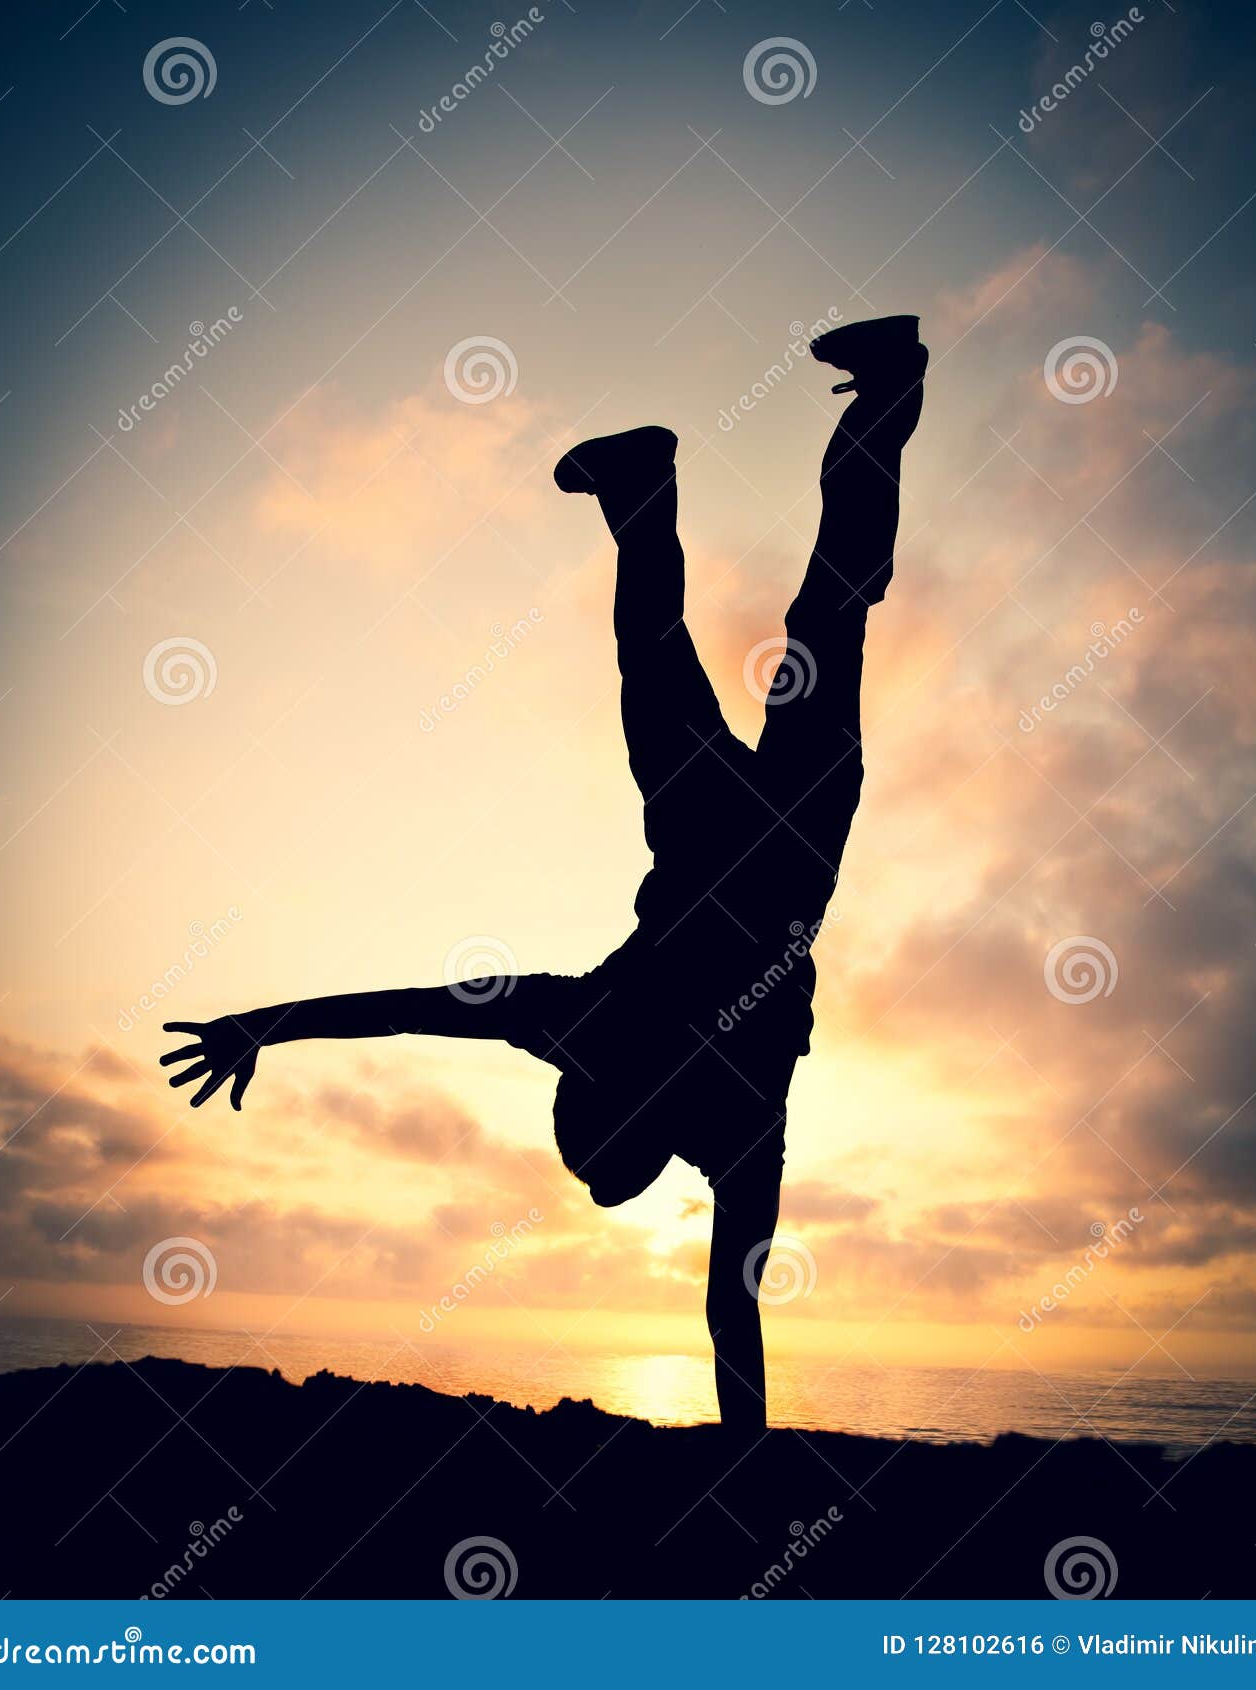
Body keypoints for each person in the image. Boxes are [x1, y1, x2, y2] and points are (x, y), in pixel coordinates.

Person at [161, 315, 929, 1436]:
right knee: (711, 639)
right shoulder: (581, 1027)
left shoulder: (728, 1128)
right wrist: (257, 1026)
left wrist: (746, 1469)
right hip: (711, 831)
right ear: (591, 1096)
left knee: (822, 615)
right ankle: (651, 485)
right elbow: (407, 1011)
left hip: (788, 849)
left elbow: (733, 1310)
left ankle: (786, 433)